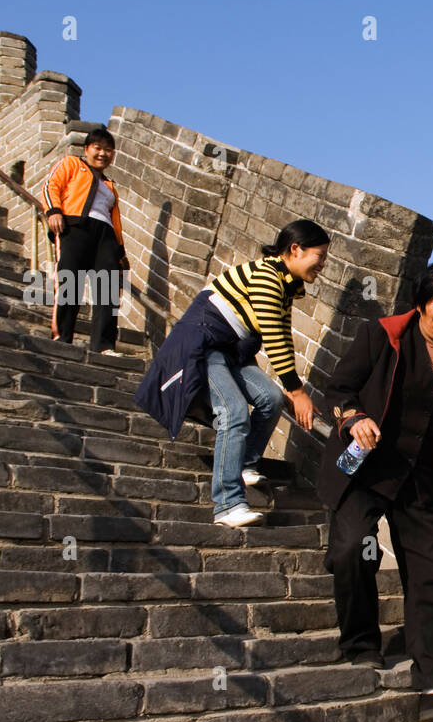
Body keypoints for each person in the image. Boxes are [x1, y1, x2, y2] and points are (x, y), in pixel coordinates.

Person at [317, 258, 433, 722]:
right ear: (421, 304)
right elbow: (337, 390)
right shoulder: (382, 337)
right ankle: (360, 643)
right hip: (366, 467)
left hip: (424, 480)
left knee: (432, 572)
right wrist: (353, 419)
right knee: (351, 547)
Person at [134, 219, 325, 527]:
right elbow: (274, 336)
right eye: (320, 256)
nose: (323, 265)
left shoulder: (286, 285)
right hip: (205, 342)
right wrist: (299, 391)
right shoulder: (266, 275)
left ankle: (244, 464)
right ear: (296, 249)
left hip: (233, 350)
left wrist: (289, 390)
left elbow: (283, 335)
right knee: (233, 410)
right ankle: (227, 504)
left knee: (271, 398)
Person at [38, 127, 130, 354]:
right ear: (87, 149)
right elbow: (51, 185)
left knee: (107, 289)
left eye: (108, 150)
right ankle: (62, 337)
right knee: (70, 281)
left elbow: (115, 221)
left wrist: (120, 251)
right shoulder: (72, 164)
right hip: (74, 226)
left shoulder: (110, 186)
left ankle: (104, 345)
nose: (103, 154)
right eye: (98, 148)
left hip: (105, 235)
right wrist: (53, 211)